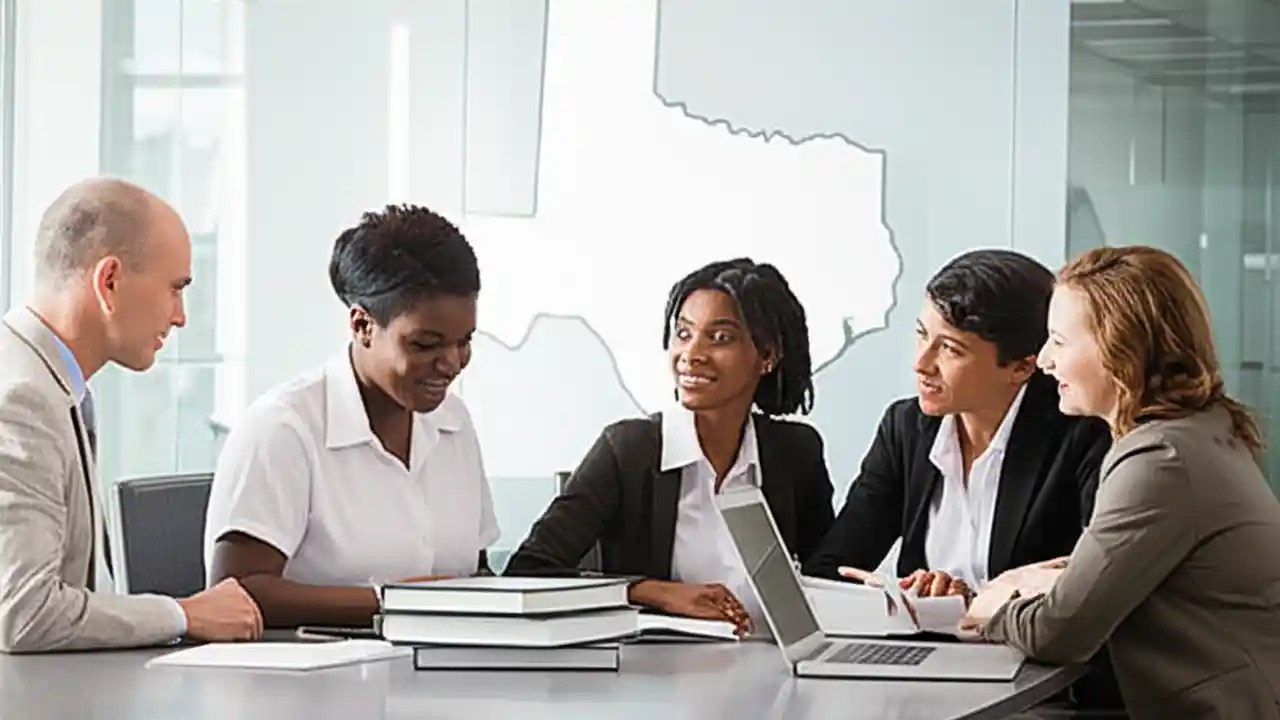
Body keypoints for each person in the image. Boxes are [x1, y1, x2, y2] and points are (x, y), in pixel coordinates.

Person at [968, 246, 1280, 718]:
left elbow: (1060, 634)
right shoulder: (1199, 432)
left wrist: (992, 608)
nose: (1045, 360)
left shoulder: (1160, 459)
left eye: (1059, 340)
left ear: (1120, 347)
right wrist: (1046, 579)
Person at [204, 204, 500, 629]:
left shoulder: (453, 420)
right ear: (362, 325)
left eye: (464, 342)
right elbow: (236, 590)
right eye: (425, 344)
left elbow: (474, 570)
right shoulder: (284, 428)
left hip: (437, 677)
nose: (451, 363)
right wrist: (390, 601)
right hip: (308, 687)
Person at [0, 177, 262, 652]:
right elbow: (24, 611)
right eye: (175, 288)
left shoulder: (49, 383)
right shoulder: (21, 399)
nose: (180, 316)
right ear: (110, 281)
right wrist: (184, 613)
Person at [505, 259, 834, 633]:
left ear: (768, 356)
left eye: (720, 337)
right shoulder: (628, 450)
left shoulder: (795, 454)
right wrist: (652, 592)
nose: (692, 354)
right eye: (683, 334)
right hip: (653, 679)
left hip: (772, 674)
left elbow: (828, 579)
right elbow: (529, 572)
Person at [804, 250, 1111, 597]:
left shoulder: (1084, 438)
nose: (922, 363)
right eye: (922, 335)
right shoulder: (905, 429)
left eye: (950, 349)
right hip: (923, 646)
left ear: (1021, 368)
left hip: (1023, 648)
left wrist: (974, 602)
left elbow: (1091, 589)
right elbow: (833, 570)